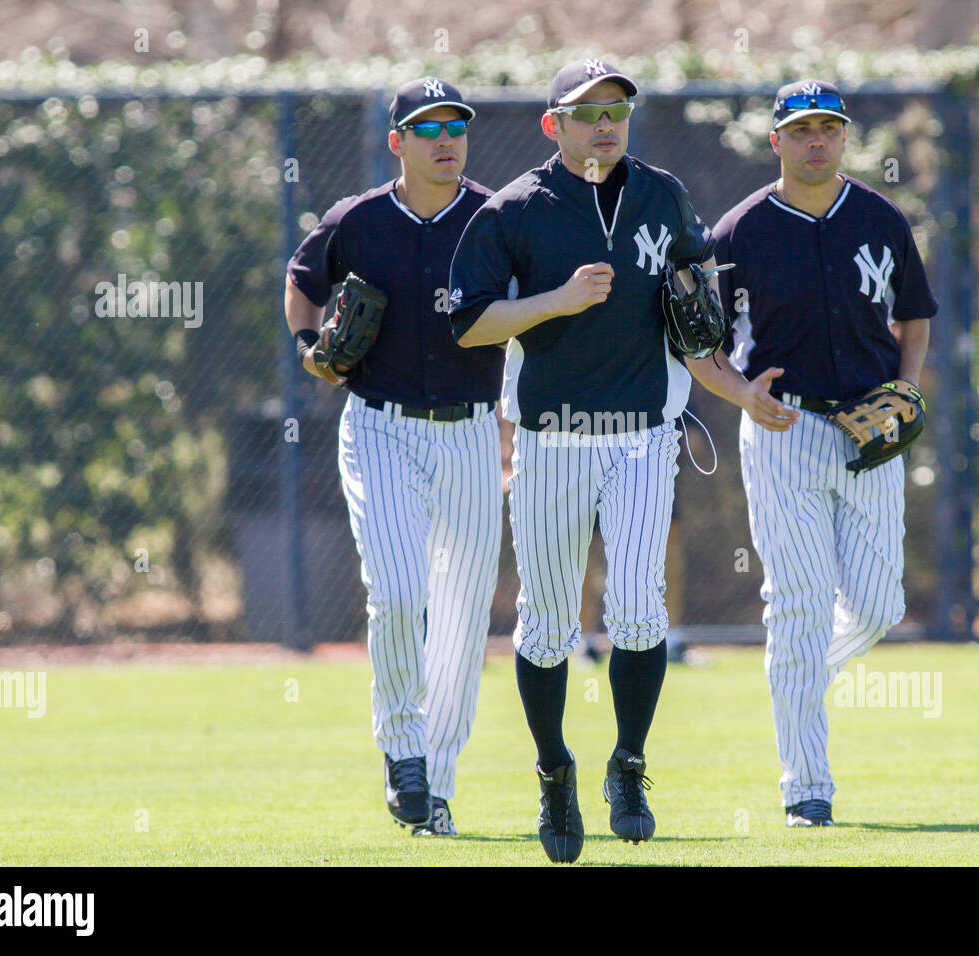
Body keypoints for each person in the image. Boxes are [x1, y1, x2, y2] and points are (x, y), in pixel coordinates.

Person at [448, 58, 792, 863]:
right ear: (553, 125)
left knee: (639, 608)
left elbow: (694, 319)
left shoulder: (662, 196)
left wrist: (739, 392)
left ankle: (629, 765)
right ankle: (555, 771)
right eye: (587, 111)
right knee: (545, 624)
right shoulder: (516, 210)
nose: (606, 124)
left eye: (618, 111)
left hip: (642, 431)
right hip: (549, 436)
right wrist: (554, 302)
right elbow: (467, 324)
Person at [700, 80, 937, 827]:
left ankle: (793, 675)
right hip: (783, 430)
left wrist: (904, 390)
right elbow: (698, 343)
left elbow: (915, 317)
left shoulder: (879, 216)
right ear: (776, 141)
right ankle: (807, 787)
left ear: (843, 138)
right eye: (800, 130)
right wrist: (741, 395)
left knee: (876, 607)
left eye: (828, 128)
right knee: (797, 606)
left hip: (870, 431)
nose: (816, 141)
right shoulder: (737, 232)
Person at [284, 77, 504, 837]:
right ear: (397, 141)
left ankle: (434, 784)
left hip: (473, 430)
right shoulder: (358, 219)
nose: (445, 139)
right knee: (399, 590)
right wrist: (312, 349)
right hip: (379, 423)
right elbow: (302, 282)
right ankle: (403, 748)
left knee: (464, 613)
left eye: (455, 126)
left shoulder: (493, 215)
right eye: (427, 127)